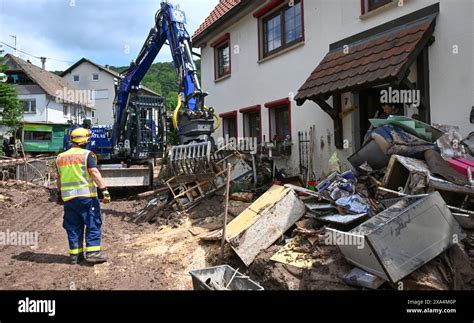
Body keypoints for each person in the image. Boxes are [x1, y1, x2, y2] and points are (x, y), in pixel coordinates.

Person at [56, 128, 111, 265]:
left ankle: (75, 255)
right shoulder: (87, 155)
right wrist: (104, 190)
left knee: (73, 226)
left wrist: (59, 194)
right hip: (86, 197)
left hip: (69, 199)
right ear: (86, 140)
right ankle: (93, 252)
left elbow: (59, 178)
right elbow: (94, 172)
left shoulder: (60, 157)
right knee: (92, 223)